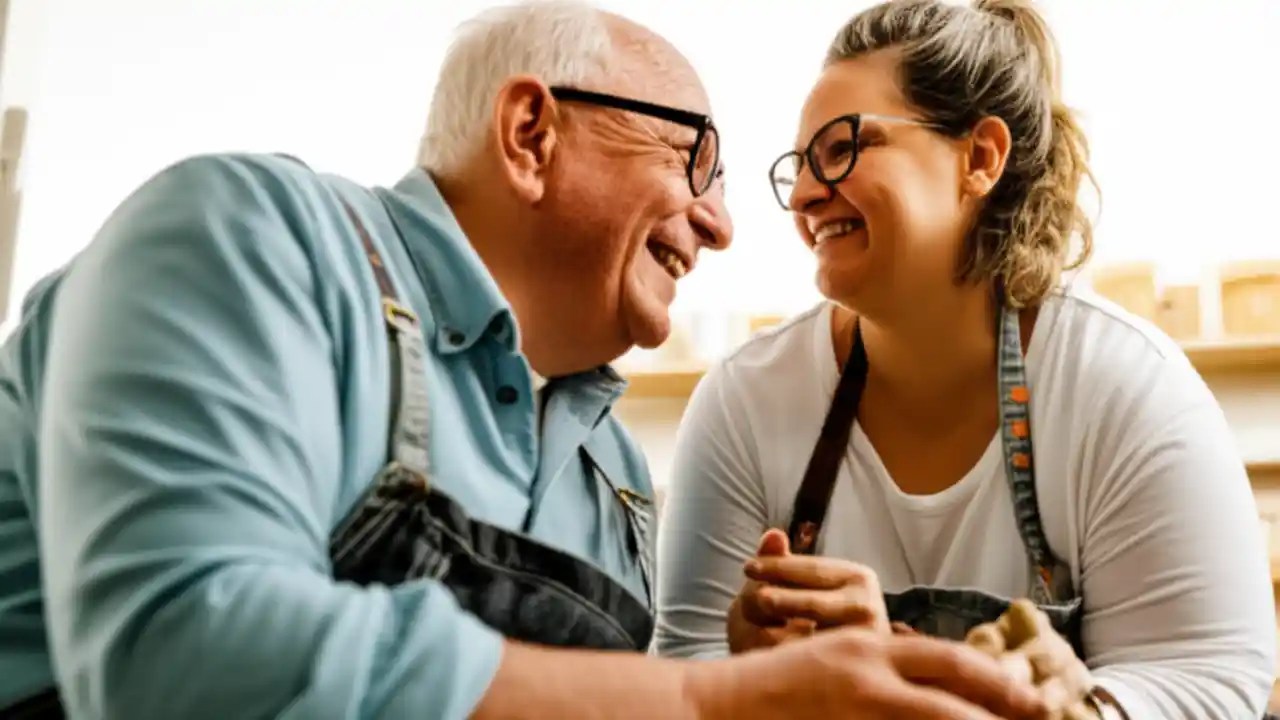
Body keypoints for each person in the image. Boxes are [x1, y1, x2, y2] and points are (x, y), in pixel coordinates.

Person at [0, 2, 1062, 719]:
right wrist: (710, 702)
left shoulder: (614, 485)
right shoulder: (254, 239)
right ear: (528, 133)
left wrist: (760, 671)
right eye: (695, 159)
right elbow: (180, 657)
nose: (724, 222)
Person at [654, 0, 1277, 718]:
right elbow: (684, 676)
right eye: (797, 166)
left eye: (842, 149)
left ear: (979, 158)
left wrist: (1060, 707)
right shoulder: (744, 404)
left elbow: (1207, 679)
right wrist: (761, 685)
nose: (800, 196)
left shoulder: (1124, 387)